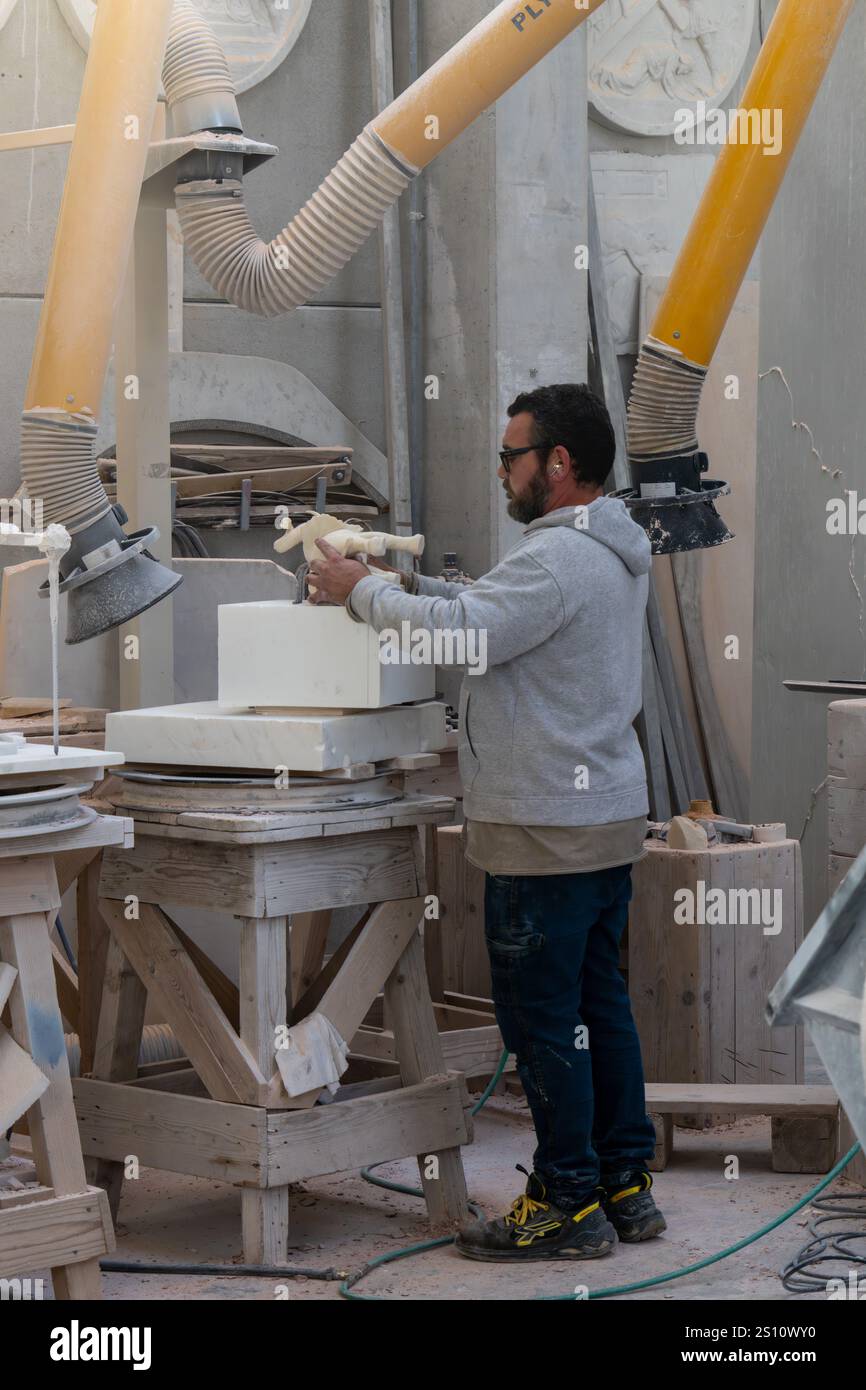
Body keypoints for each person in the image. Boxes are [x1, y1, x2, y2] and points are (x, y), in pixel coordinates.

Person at [309, 383, 665, 1262]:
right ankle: (624, 1186)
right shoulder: (604, 548)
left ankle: (565, 1203)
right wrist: (403, 582)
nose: (503, 473)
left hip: (542, 829)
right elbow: (495, 612)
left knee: (544, 1023)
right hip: (600, 821)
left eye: (512, 457)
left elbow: (462, 636)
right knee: (598, 1011)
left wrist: (360, 594)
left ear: (559, 464)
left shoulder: (555, 558)